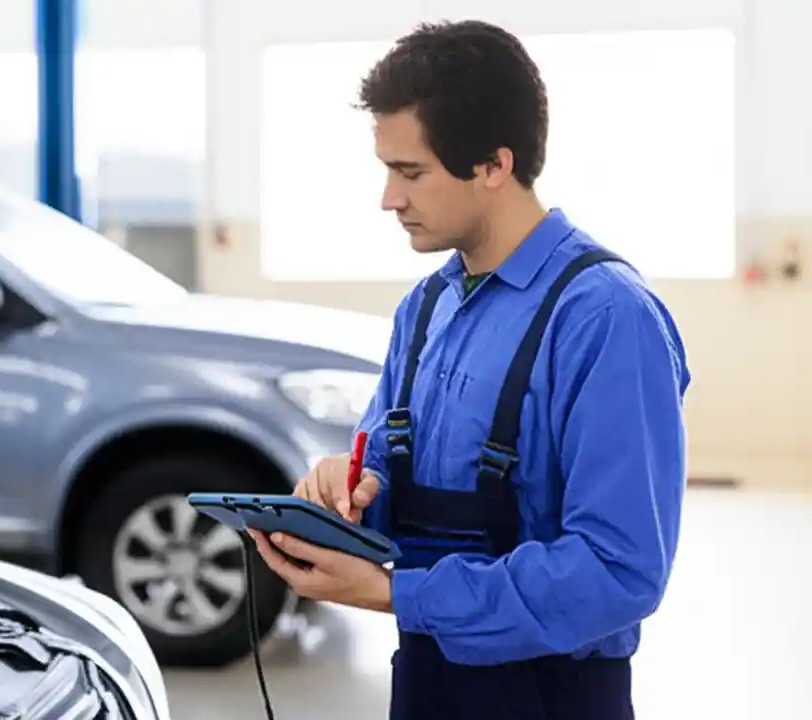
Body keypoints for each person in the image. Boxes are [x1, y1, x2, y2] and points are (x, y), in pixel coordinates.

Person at [247, 19, 690, 720]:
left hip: (552, 695)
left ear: (493, 165)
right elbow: (393, 472)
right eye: (387, 170)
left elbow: (619, 570)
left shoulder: (606, 320)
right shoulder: (424, 309)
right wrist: (350, 491)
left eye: (410, 172)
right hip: (426, 677)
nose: (389, 199)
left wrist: (401, 593)